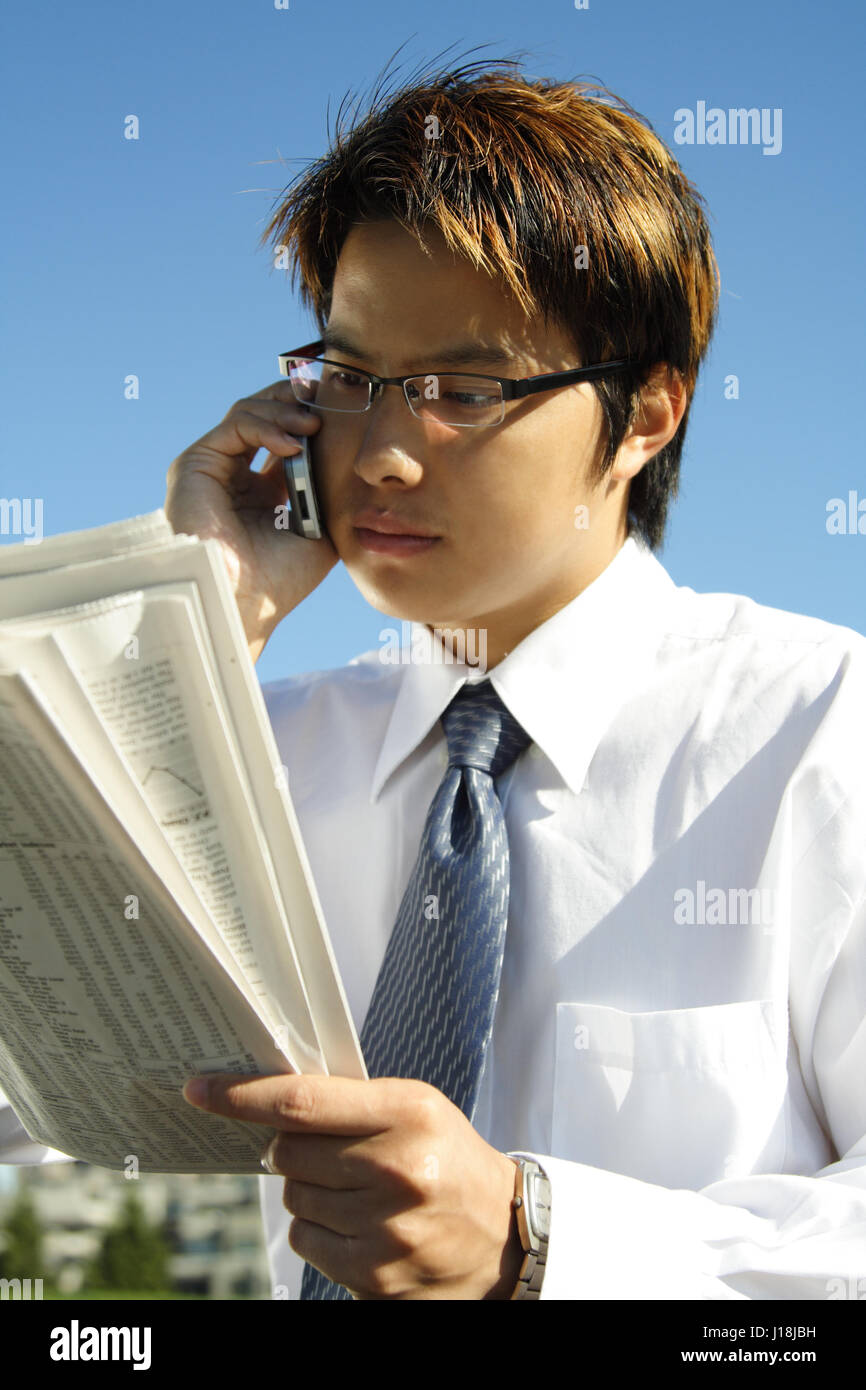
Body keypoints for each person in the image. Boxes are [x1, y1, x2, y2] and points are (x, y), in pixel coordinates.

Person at [3, 58, 865, 1301]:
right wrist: (196, 634)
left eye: (461, 391)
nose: (385, 455)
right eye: (351, 382)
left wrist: (533, 1239)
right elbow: (35, 1096)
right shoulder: (267, 742)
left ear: (644, 419)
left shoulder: (817, 728)